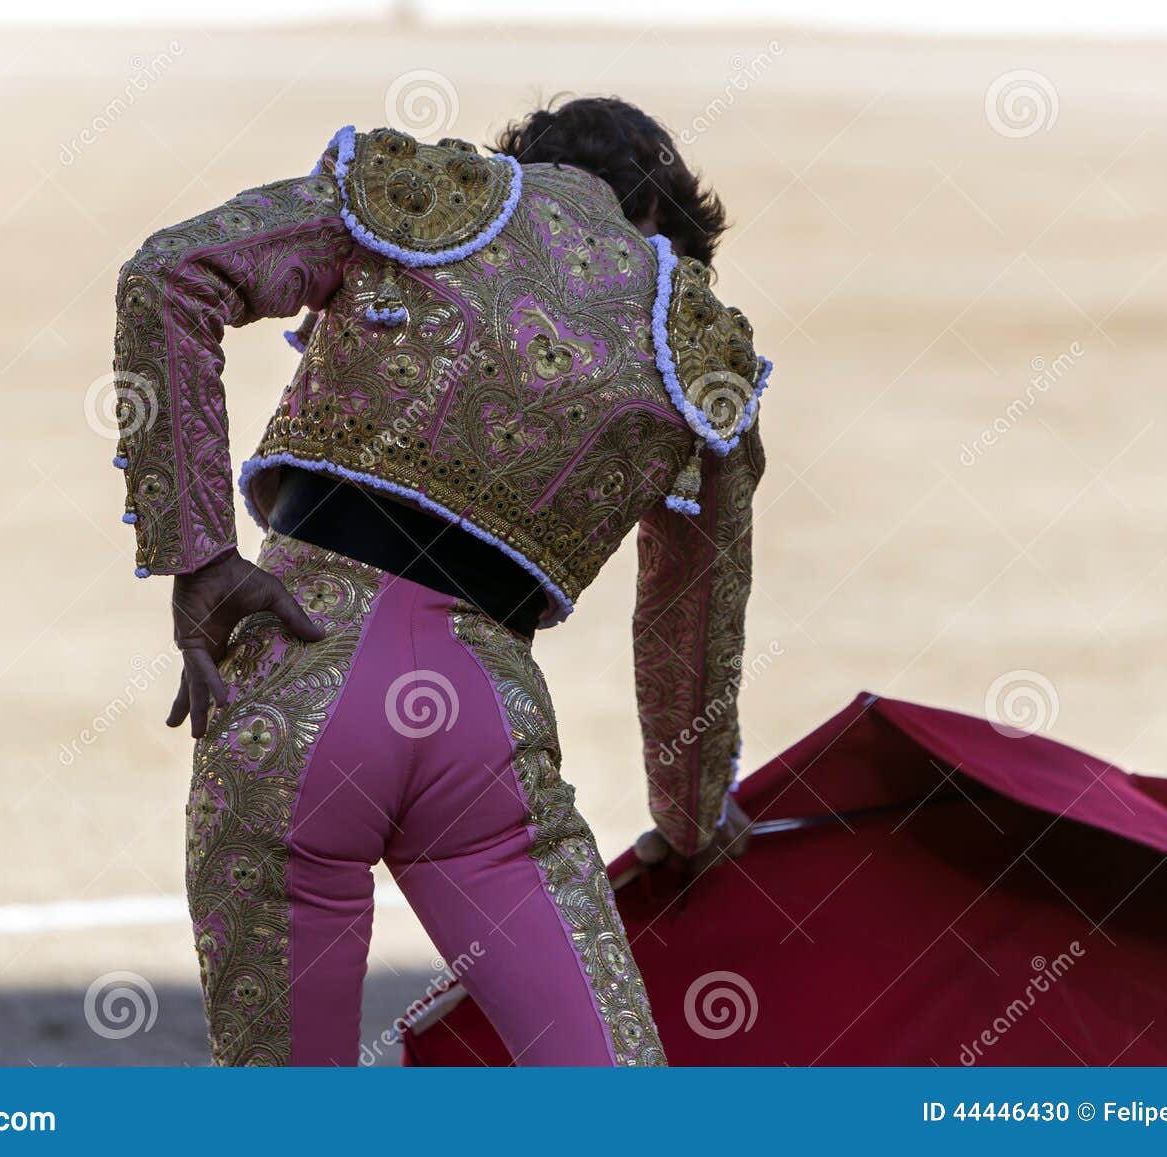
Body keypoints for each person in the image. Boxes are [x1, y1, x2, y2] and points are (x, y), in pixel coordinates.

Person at [108, 96, 770, 1066]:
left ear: (519, 163)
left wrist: (200, 556)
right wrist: (692, 817)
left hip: (294, 685)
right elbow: (689, 621)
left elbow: (168, 274)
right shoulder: (693, 343)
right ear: (663, 229)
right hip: (484, 738)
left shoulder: (412, 201)